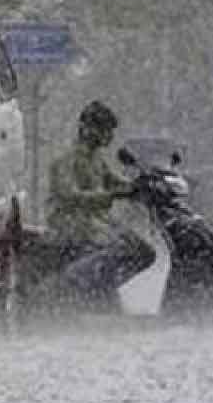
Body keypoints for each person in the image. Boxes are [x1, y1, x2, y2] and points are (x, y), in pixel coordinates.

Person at [46, 100, 156, 303]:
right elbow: (70, 196)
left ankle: (102, 286)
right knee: (121, 246)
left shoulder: (97, 158)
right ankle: (70, 282)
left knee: (144, 251)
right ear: (88, 129)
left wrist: (143, 183)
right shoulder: (66, 158)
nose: (110, 136)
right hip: (71, 223)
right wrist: (110, 195)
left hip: (95, 222)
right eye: (106, 130)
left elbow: (116, 180)